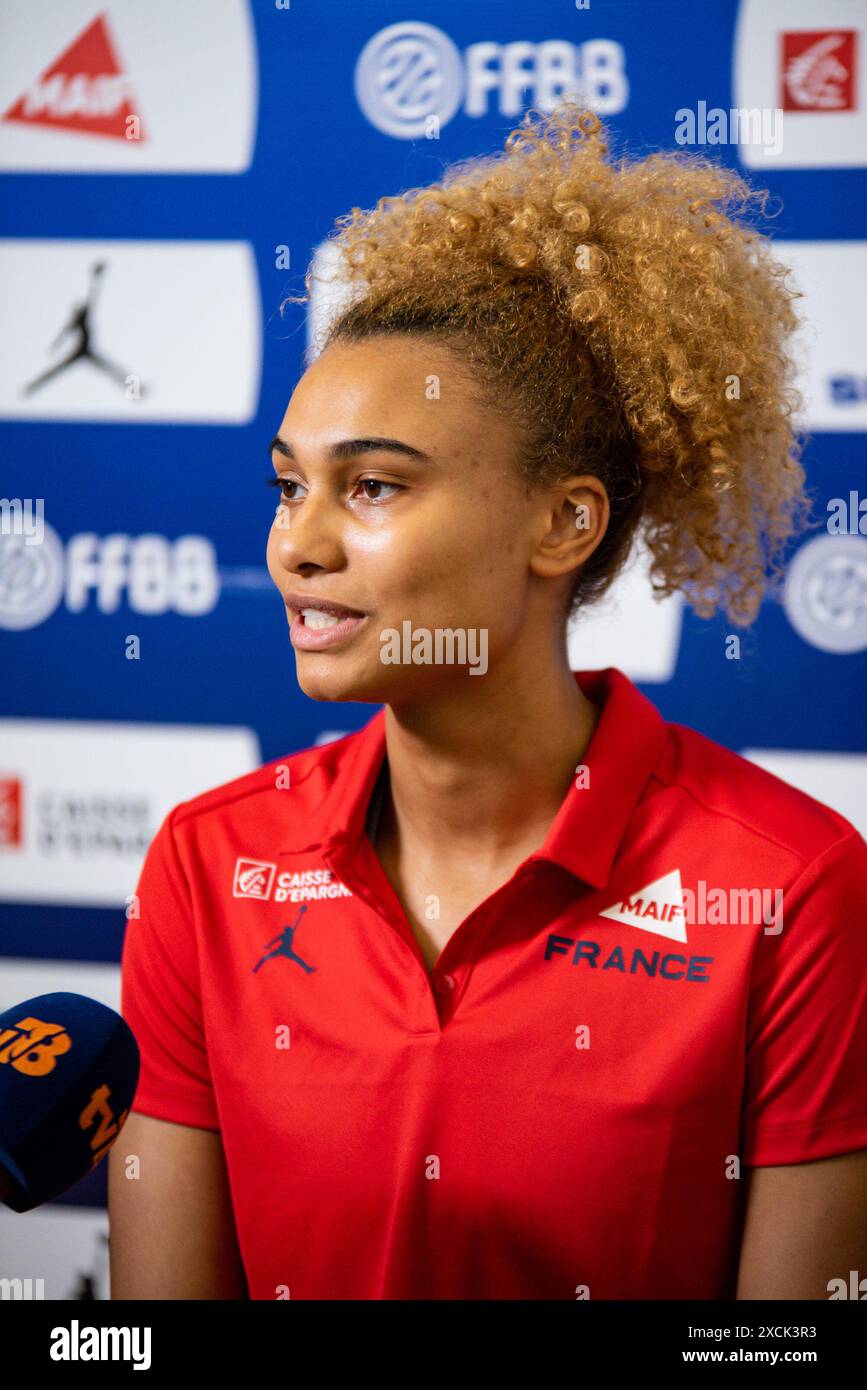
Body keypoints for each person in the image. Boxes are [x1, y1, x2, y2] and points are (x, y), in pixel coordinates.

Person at [109, 104, 867, 1300]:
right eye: (285, 486)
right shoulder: (210, 865)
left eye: (370, 487)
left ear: (563, 523)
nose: (294, 546)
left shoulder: (791, 886)